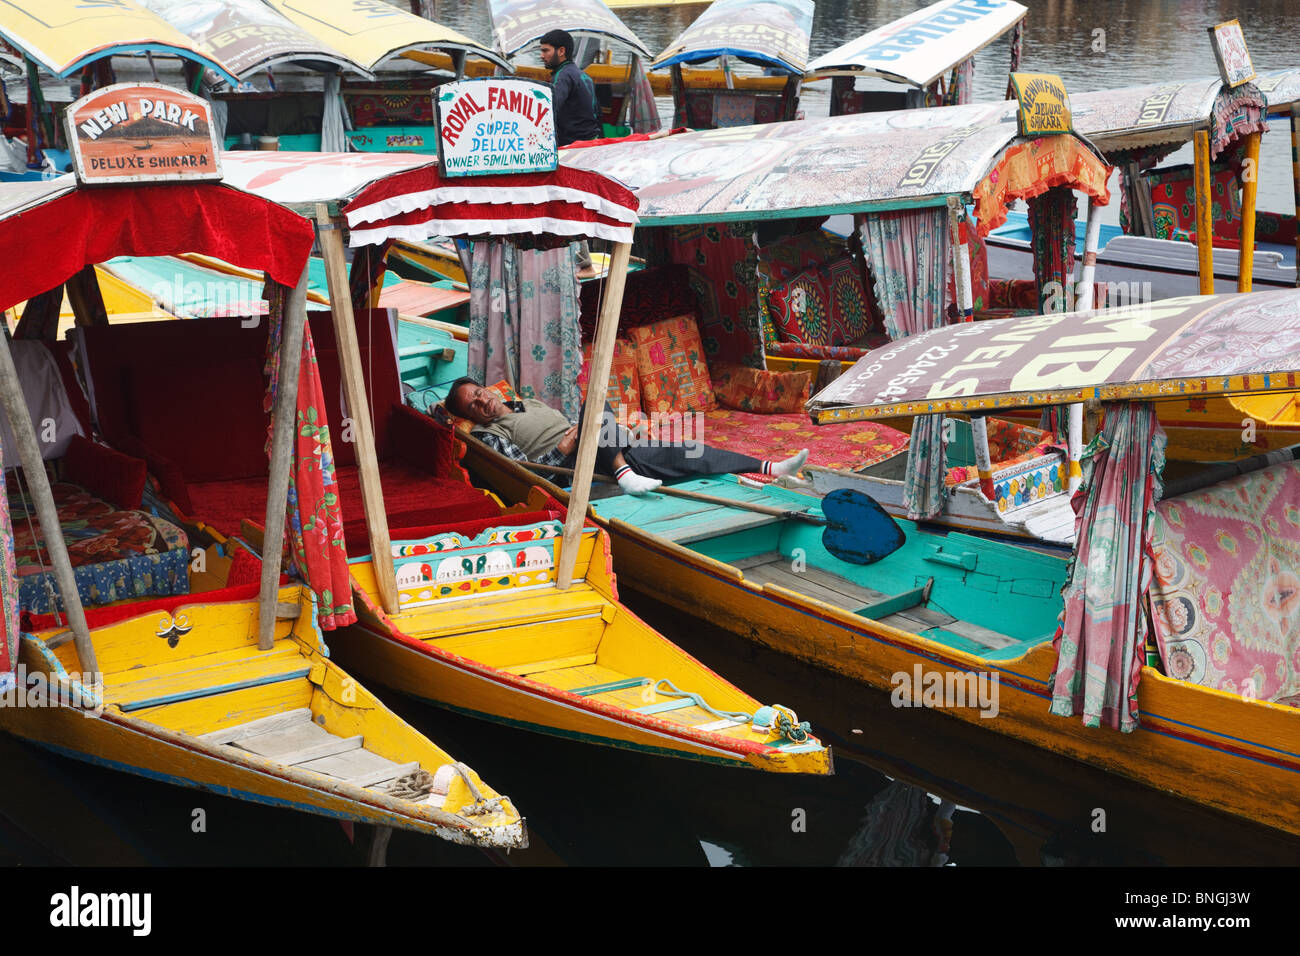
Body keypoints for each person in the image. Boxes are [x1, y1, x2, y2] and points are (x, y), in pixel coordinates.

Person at [445, 377, 809, 496]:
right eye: (471, 406)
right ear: (468, 416)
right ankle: (622, 472)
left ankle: (772, 468)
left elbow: (584, 422)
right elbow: (523, 474)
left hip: (602, 447)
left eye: (479, 393)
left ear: (488, 388)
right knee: (596, 405)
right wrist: (562, 448)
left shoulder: (530, 402)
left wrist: (609, 433)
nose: (481, 402)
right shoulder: (488, 434)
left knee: (688, 452)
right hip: (573, 464)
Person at [539, 28, 602, 147]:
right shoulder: (583, 75)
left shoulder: (563, 76)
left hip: (573, 145)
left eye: (546, 51)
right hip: (592, 140)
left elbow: (549, 109)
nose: (542, 56)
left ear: (561, 51)